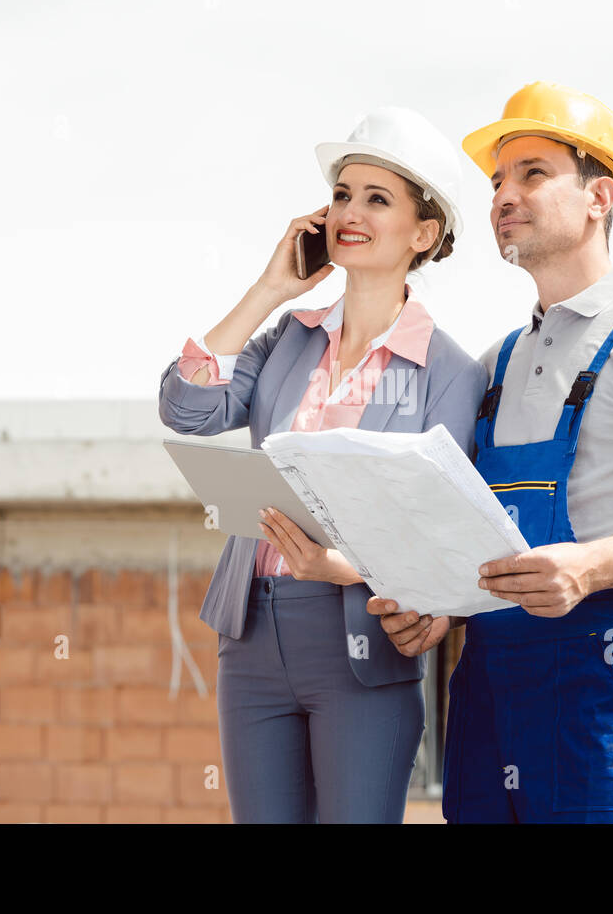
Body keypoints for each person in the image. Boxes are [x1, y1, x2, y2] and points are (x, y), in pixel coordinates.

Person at [369, 81, 613, 823]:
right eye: (498, 180)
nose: (505, 193)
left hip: (602, 690)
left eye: (532, 173)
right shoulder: (494, 364)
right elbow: (461, 526)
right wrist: (439, 608)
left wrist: (589, 565)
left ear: (600, 194)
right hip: (487, 688)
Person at [158, 107, 488, 823]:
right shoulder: (287, 338)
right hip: (252, 635)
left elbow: (441, 536)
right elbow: (185, 408)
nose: (351, 212)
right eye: (343, 194)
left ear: (424, 233)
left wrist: (340, 563)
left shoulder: (452, 373)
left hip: (359, 643)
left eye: (377, 198)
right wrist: (271, 289)